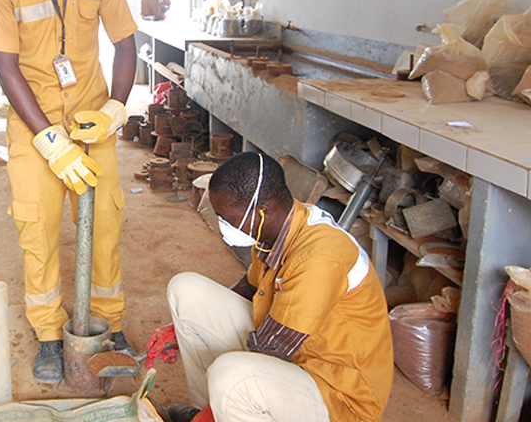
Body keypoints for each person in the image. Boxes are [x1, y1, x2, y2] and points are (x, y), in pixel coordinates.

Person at [0, 0, 139, 384]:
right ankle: (50, 335)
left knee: (106, 228)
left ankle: (109, 327)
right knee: (38, 230)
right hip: (33, 125)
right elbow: (6, 67)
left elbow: (125, 43)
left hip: (93, 121)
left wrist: (116, 108)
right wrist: (49, 139)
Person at [157, 152, 393, 422]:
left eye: (228, 219)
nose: (224, 226)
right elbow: (249, 285)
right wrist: (185, 328)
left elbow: (271, 350)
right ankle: (214, 412)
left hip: (336, 394)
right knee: (186, 291)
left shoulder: (320, 257)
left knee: (232, 377)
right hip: (300, 359)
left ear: (262, 211)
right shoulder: (275, 228)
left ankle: (216, 414)